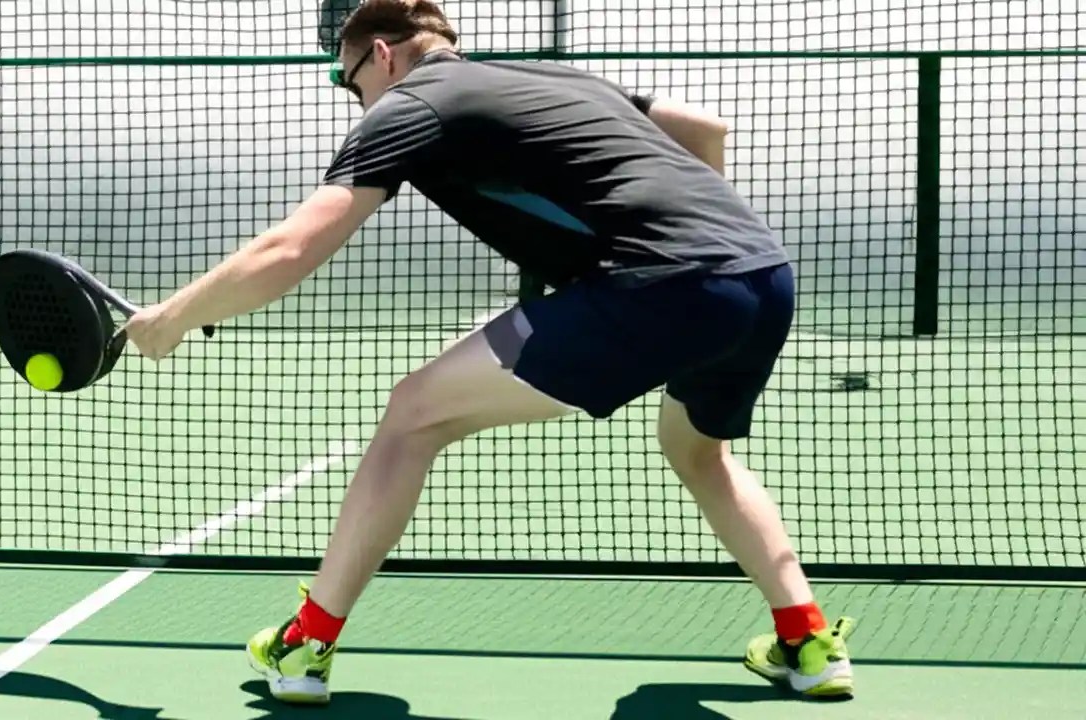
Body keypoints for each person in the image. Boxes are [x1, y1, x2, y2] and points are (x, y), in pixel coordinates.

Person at [122, 0, 856, 706]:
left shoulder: (408, 106)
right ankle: (809, 642)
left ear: (382, 54)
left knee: (413, 414)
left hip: (652, 289)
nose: (352, 98)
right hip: (761, 277)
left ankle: (306, 644)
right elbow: (706, 128)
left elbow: (293, 247)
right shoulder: (550, 75)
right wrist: (697, 268)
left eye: (345, 80)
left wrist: (176, 316)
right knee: (699, 453)